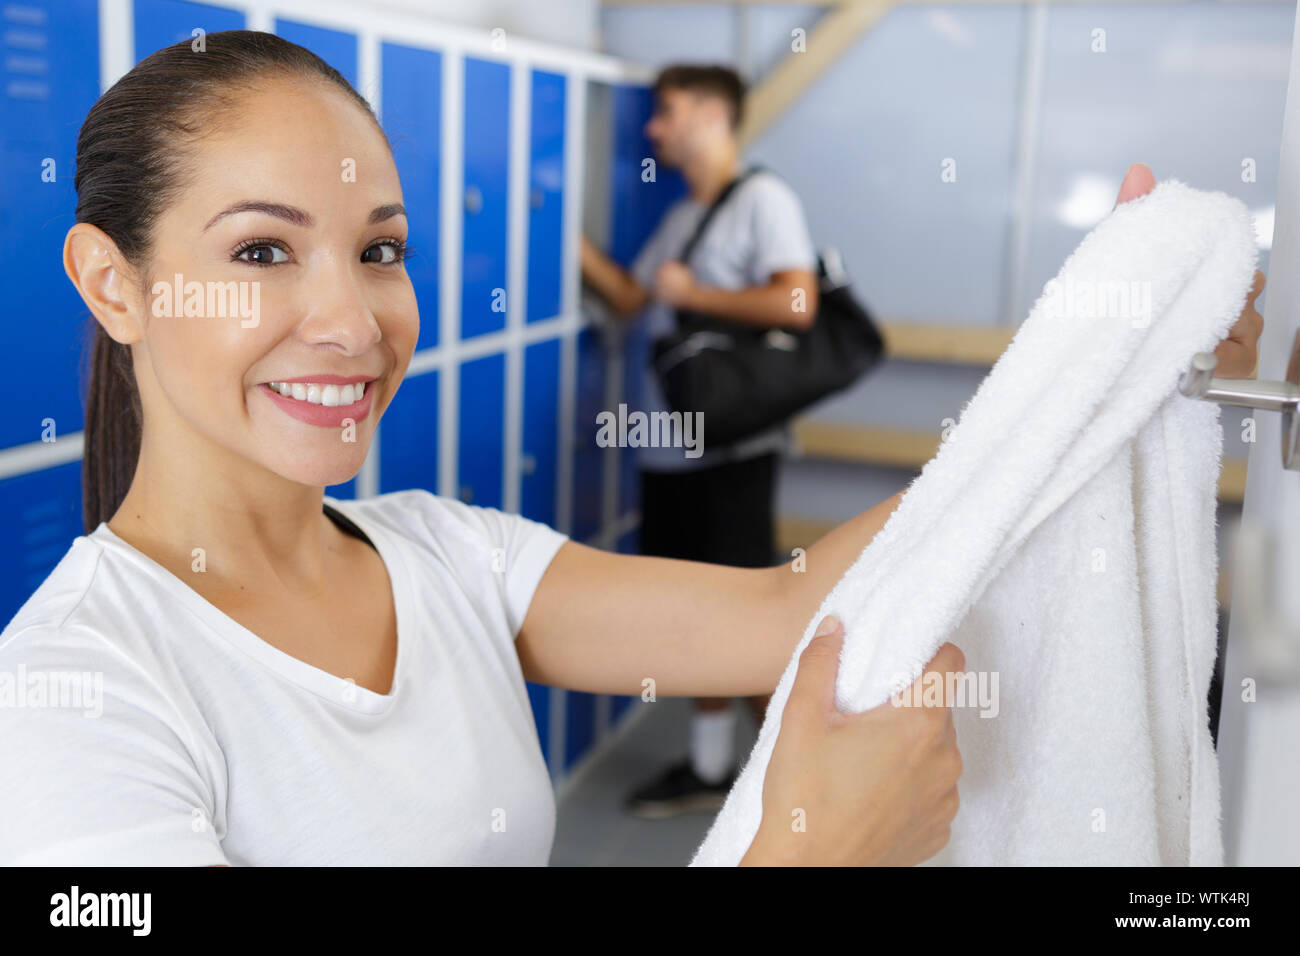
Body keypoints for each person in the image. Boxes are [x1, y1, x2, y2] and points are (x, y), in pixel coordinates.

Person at [0, 31, 1262, 866]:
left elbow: (791, 610)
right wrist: (805, 850)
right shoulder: (76, 698)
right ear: (114, 285)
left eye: (379, 249)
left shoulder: (452, 555)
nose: (351, 320)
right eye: (262, 251)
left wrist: (1099, 368)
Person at [580, 65, 823, 816]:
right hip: (669, 452)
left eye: (668, 113)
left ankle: (812, 777)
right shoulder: (685, 216)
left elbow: (798, 300)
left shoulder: (763, 200)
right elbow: (629, 299)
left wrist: (698, 296)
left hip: (727, 456)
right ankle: (714, 767)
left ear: (714, 118)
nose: (654, 129)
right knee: (696, 620)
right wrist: (555, 227)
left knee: (749, 622)